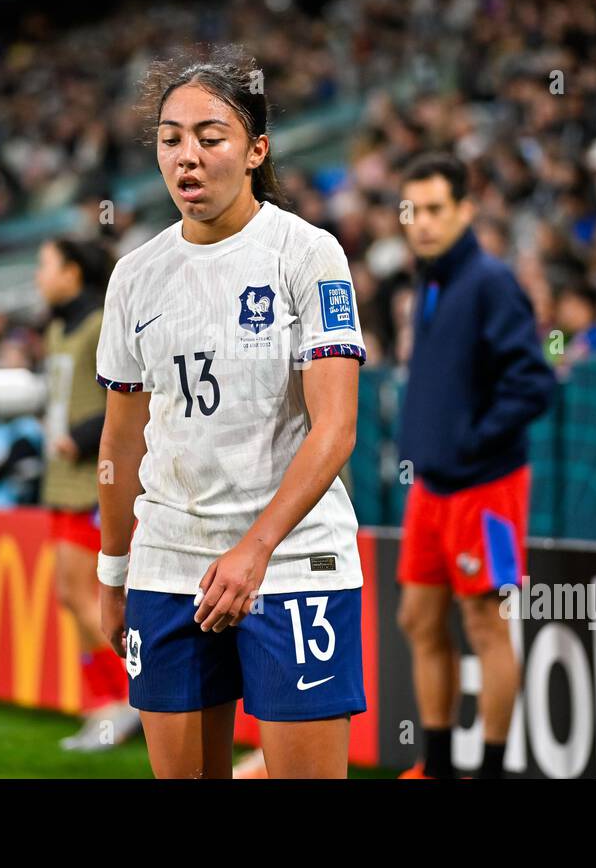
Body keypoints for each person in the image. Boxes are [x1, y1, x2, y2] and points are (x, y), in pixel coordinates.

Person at [95, 46, 366, 779]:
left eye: (210, 138)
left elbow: (336, 429)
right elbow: (120, 442)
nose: (187, 156)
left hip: (293, 564)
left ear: (255, 150)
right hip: (171, 565)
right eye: (170, 138)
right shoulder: (135, 277)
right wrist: (115, 572)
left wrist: (256, 550)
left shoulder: (307, 256)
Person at [395, 152, 556, 779]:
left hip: (489, 488)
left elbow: (534, 384)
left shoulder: (491, 281)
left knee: (487, 625)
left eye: (436, 209)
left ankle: (489, 771)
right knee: (418, 618)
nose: (423, 223)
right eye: (413, 210)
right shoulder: (429, 279)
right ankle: (435, 767)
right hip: (432, 488)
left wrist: (469, 441)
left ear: (465, 209)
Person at [35, 235, 140, 750]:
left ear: (73, 272)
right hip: (60, 480)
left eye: (46, 265)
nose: (39, 276)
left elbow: (126, 400)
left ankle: (125, 701)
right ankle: (101, 703)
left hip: (91, 480)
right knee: (66, 595)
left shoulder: (101, 325)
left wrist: (77, 437)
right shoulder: (57, 328)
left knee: (86, 596)